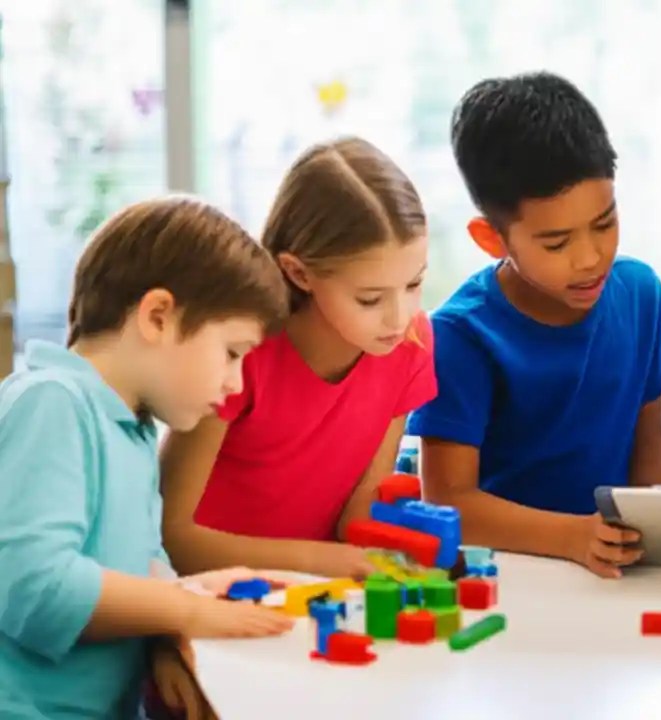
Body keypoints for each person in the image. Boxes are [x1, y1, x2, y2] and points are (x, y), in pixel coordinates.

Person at [0, 198, 295, 718]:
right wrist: (188, 611)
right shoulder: (53, 403)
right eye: (232, 352)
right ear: (157, 316)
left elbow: (137, 564)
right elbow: (36, 588)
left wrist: (185, 599)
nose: (236, 382)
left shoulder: (132, 431)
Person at [407, 72, 661, 579]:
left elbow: (651, 470)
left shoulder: (640, 294)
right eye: (556, 244)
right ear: (492, 240)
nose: (590, 258)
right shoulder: (461, 335)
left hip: (614, 574)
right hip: (506, 580)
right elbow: (449, 502)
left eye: (605, 223)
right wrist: (574, 537)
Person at [160, 137, 437, 578]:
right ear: (298, 272)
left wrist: (414, 540)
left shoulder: (410, 343)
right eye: (369, 298)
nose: (399, 317)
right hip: (214, 596)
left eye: (414, 284)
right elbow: (172, 536)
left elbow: (359, 510)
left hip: (318, 597)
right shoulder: (240, 352)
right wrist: (326, 562)